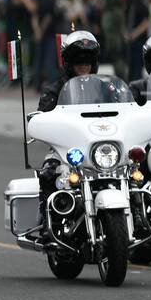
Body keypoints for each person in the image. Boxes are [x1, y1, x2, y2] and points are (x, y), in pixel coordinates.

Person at [34, 30, 100, 230]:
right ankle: (49, 223)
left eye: (87, 62)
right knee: (48, 173)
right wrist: (42, 120)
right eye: (79, 62)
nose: (83, 66)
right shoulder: (55, 90)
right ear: (69, 64)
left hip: (100, 149)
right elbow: (41, 117)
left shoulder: (105, 89)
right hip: (66, 152)